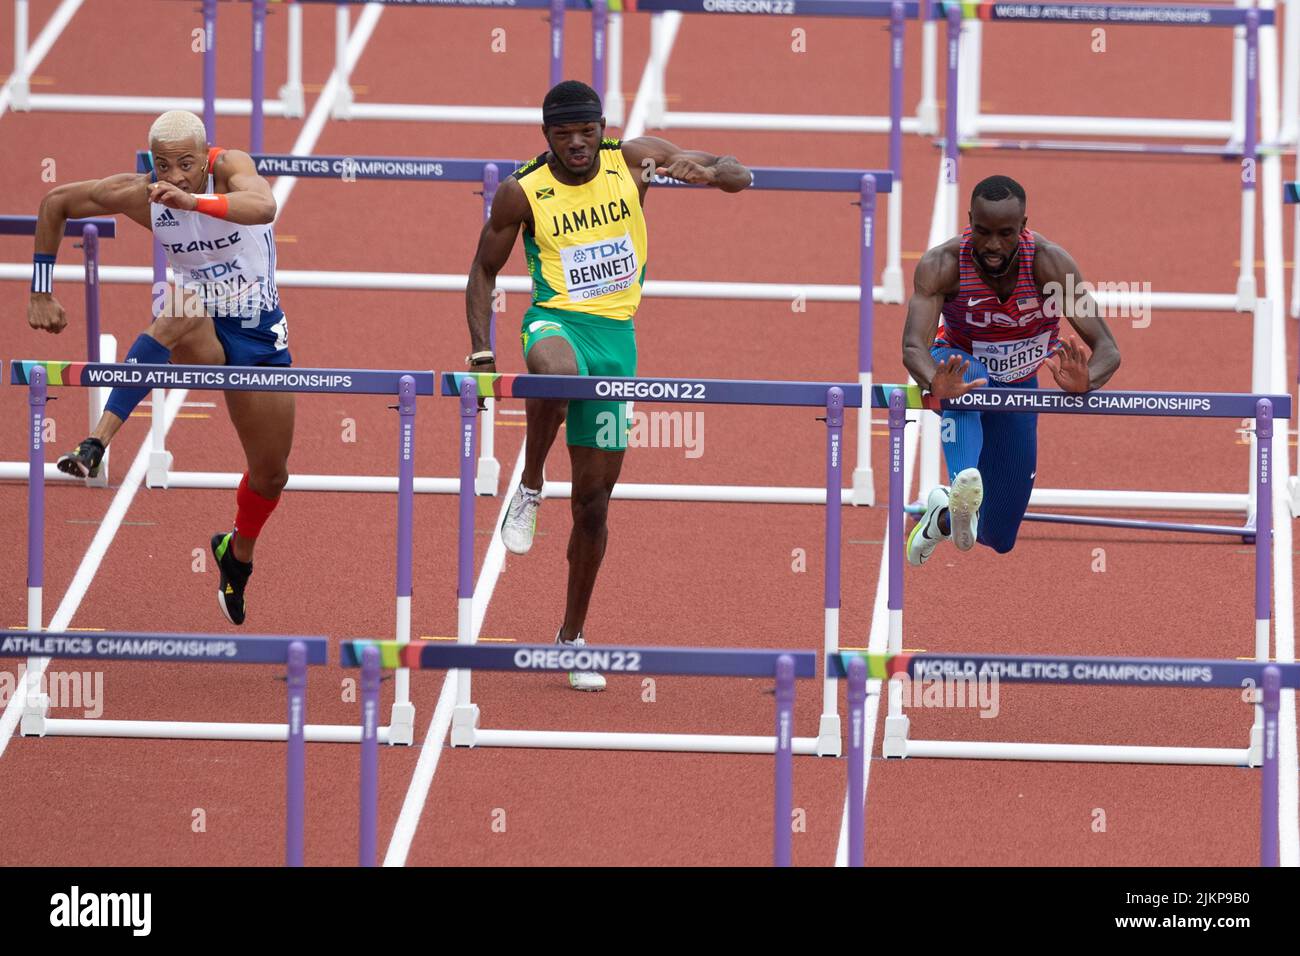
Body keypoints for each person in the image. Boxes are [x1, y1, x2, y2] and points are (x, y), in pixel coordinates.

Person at [465, 80, 752, 690]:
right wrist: (484, 355)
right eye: (563, 134)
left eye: (586, 132)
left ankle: (572, 639)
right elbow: (482, 270)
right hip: (555, 320)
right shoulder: (521, 191)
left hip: (616, 340)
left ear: (602, 128)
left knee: (593, 503)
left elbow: (725, 173)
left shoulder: (634, 161)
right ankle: (531, 484)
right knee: (558, 373)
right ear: (546, 137)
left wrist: (718, 171)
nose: (576, 143)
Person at [27, 110, 292, 625]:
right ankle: (96, 442)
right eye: (164, 165)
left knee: (271, 474)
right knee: (179, 306)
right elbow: (55, 202)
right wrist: (40, 289)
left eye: (187, 163)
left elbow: (264, 206)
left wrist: (193, 200)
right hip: (203, 331)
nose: (174, 175)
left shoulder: (230, 167)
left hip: (259, 336)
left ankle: (235, 554)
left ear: (206, 156)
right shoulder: (139, 193)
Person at [900, 175, 1121, 565]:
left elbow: (1107, 348)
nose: (993, 245)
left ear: (1024, 226)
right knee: (969, 374)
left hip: (1020, 387)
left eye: (1006, 233)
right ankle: (960, 486)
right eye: (983, 231)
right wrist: (934, 379)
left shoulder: (1051, 264)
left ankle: (945, 517)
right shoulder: (943, 264)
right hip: (958, 372)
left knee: (998, 536)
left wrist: (1088, 380)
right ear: (970, 220)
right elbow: (913, 346)